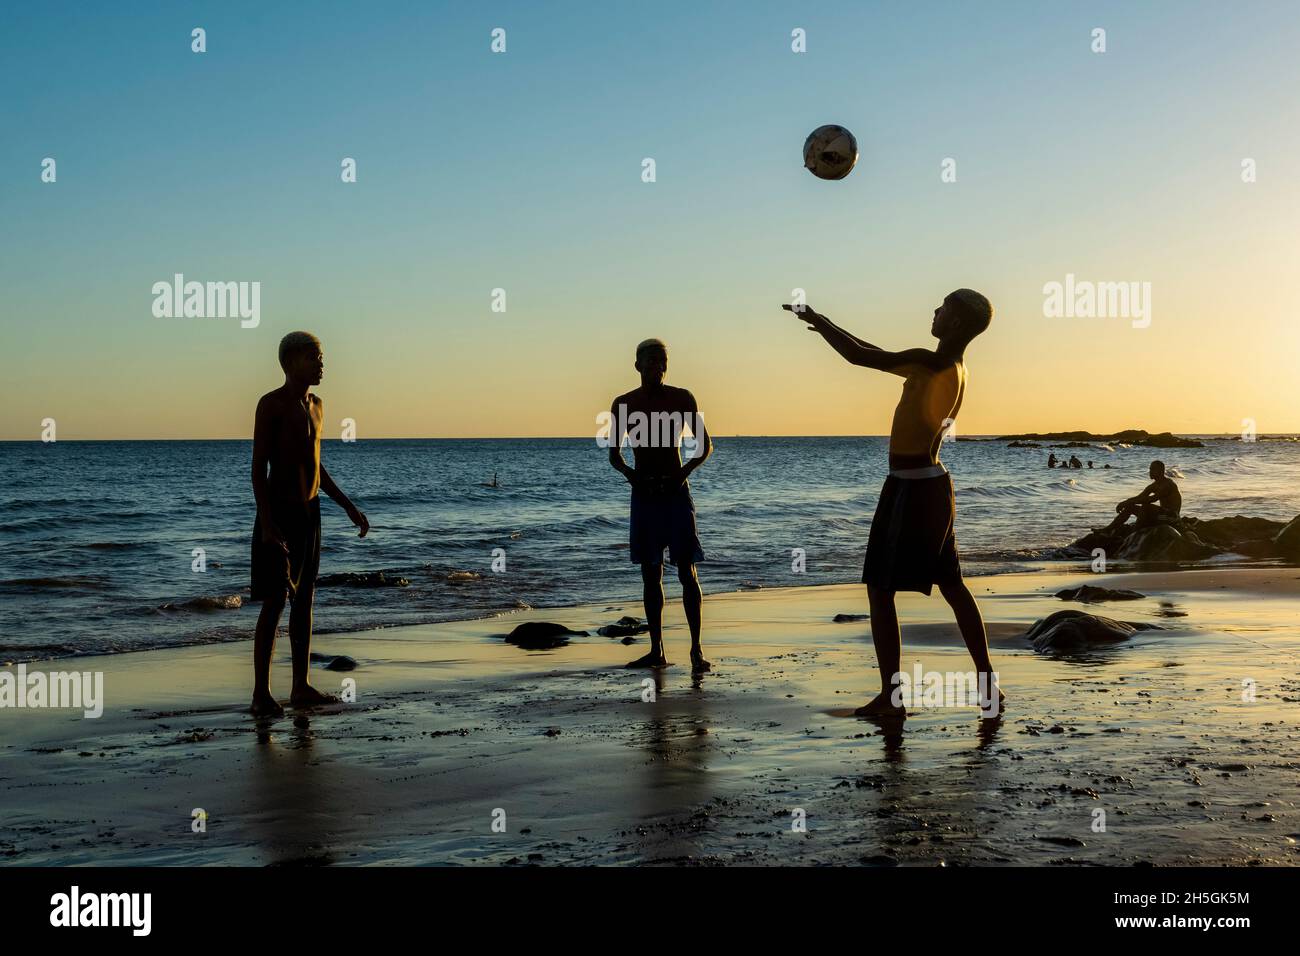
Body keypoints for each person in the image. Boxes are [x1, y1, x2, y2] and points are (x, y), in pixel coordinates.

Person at [784, 291, 1001, 718]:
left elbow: (860, 357)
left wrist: (820, 320)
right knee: (953, 586)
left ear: (955, 323)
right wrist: (824, 321)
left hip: (912, 489)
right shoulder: (956, 367)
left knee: (881, 591)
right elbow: (871, 351)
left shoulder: (934, 362)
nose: (934, 312)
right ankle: (988, 686)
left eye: (942, 308)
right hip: (933, 486)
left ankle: (891, 698)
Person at [249, 331, 370, 717]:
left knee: (306, 598)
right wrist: (267, 524)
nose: (322, 364)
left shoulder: (318, 405)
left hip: (310, 512)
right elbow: (257, 469)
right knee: (275, 600)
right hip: (279, 514)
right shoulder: (271, 405)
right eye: (314, 357)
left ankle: (300, 687)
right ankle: (260, 694)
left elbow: (315, 463)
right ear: (291, 363)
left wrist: (348, 506)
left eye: (322, 357)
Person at [607, 339, 713, 672]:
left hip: (676, 493)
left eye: (663, 361)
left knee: (686, 570)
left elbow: (705, 446)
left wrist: (683, 473)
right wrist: (631, 475)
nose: (658, 367)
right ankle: (658, 650)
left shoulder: (682, 398)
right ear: (637, 365)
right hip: (645, 496)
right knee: (651, 573)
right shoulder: (624, 404)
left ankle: (697, 650)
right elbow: (614, 455)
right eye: (651, 361)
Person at [1096, 460, 1181, 532]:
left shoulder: (1167, 484)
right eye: (1150, 469)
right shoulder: (1153, 486)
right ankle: (1108, 529)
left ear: (1161, 471)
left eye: (1153, 469)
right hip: (1160, 515)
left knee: (1146, 507)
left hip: (1171, 516)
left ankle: (1135, 531)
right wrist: (1125, 503)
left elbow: (1152, 499)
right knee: (1130, 507)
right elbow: (1140, 497)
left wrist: (1128, 502)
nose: (1150, 471)